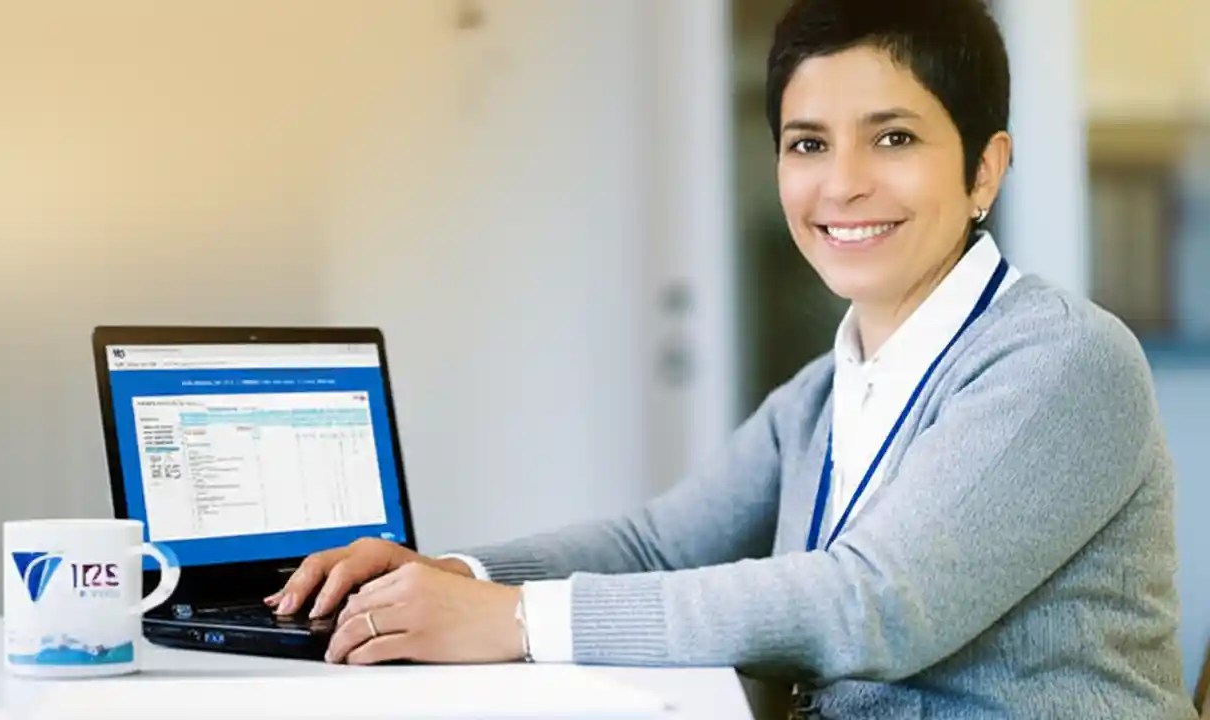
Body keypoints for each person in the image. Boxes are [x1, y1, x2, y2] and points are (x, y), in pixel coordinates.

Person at [265, 0, 1198, 716]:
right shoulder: (830, 393)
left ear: (985, 169)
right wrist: (447, 577)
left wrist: (513, 621)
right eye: (808, 144)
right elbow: (657, 545)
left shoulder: (1063, 360)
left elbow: (874, 602)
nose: (842, 183)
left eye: (895, 138)